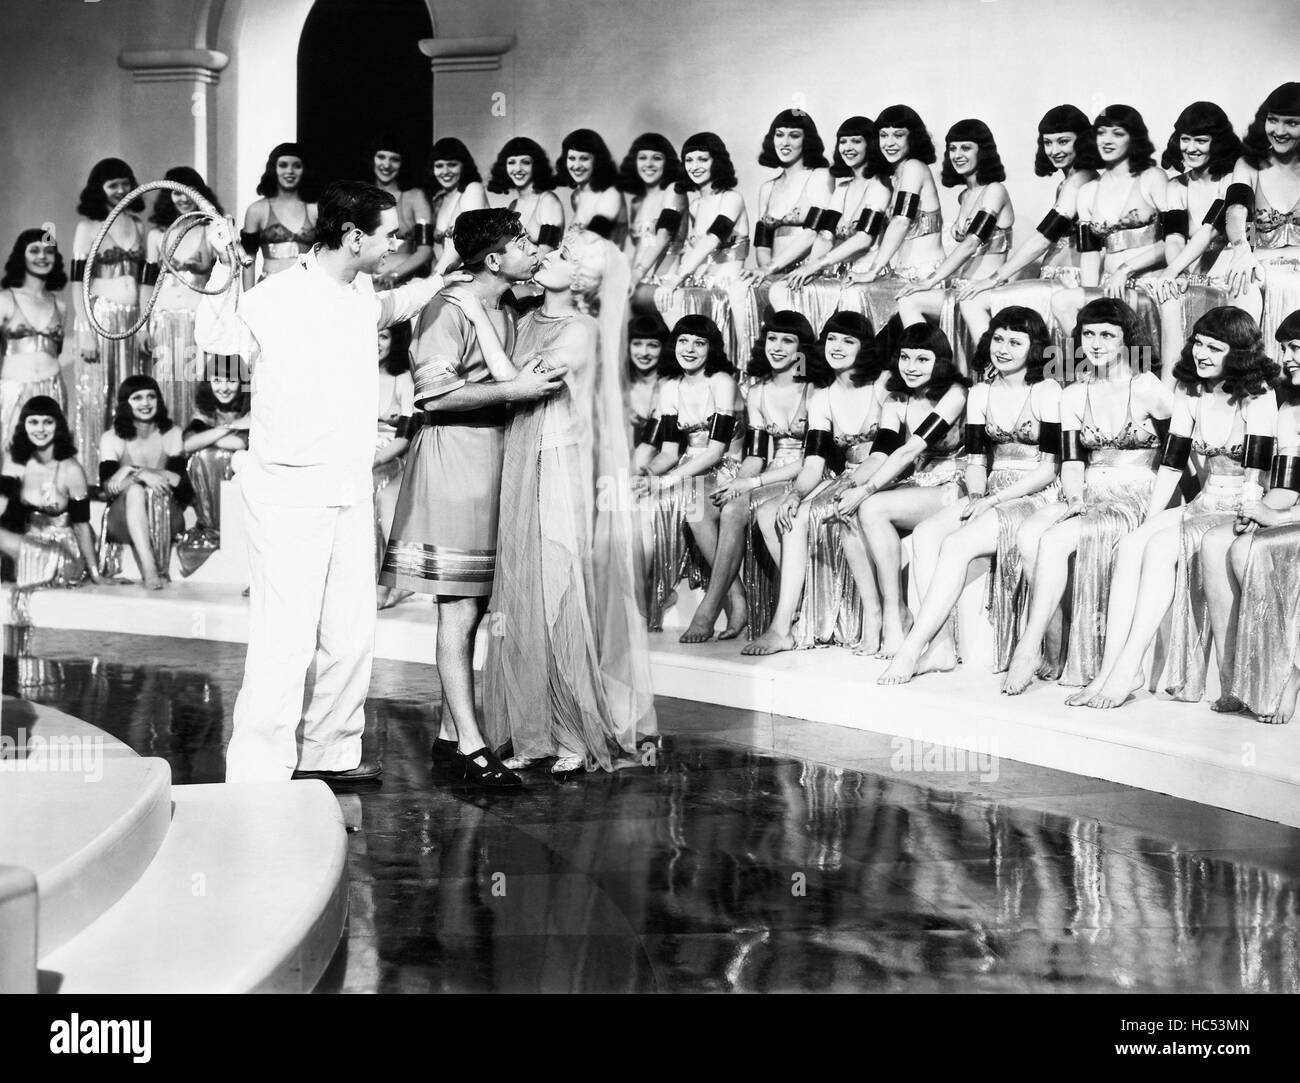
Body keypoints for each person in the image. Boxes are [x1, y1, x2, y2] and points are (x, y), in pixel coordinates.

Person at [196, 180, 469, 786]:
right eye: (388, 233)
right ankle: (260, 768)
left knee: (351, 636)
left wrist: (450, 272)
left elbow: (400, 303)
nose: (397, 241)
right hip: (287, 492)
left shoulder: (360, 291)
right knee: (284, 640)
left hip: (349, 488)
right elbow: (215, 340)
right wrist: (220, 270)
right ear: (353, 237)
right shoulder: (275, 294)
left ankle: (332, 754)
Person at [452, 230, 657, 774]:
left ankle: (573, 731)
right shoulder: (523, 318)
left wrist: (474, 317)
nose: (547, 257)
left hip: (559, 466)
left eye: (564, 256)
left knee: (558, 590)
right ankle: (530, 730)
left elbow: (524, 382)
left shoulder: (583, 329)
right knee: (520, 594)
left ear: (584, 279)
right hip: (519, 459)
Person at [379, 208, 563, 787]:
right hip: (456, 458)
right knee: (458, 609)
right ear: (492, 259)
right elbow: (433, 396)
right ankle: (472, 746)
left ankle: (450, 734)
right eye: (523, 242)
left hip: (495, 455)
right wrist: (514, 389)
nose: (533, 249)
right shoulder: (448, 306)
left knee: (479, 606)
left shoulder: (507, 305)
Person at [1072, 307, 1277, 709]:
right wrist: (1150, 518)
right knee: (1132, 544)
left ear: (1237, 353)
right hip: (1203, 502)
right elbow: (1172, 462)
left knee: (1160, 549)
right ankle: (1113, 667)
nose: (1201, 354)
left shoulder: (1259, 395)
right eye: (1199, 343)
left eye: (1214, 348)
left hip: (1240, 509)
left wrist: (1242, 519)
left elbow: (1255, 477)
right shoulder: (1190, 389)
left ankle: (1129, 664)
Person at [878, 308, 1062, 684]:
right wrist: (979, 493)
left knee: (957, 544)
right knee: (928, 534)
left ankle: (912, 647)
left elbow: (1049, 469)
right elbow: (978, 462)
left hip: (1036, 492)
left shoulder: (1047, 391)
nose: (1004, 349)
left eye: (1015, 341)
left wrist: (993, 501)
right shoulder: (980, 394)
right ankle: (942, 645)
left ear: (1034, 348)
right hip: (991, 488)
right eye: (998, 339)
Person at [1002, 298, 1172, 696]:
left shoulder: (1149, 388)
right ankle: (1054, 644)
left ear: (1127, 339)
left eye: (1107, 335)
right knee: (1029, 532)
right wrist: (1076, 499)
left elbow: (1176, 458)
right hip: (1088, 490)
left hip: (1137, 492)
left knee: (1056, 539)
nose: (1096, 343)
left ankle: (1028, 648)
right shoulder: (1074, 394)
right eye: (1089, 334)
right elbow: (1073, 463)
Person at [742, 310, 890, 656]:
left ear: (863, 346)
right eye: (832, 339)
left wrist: (850, 483)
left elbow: (888, 453)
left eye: (848, 340)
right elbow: (814, 462)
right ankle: (782, 628)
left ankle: (874, 615)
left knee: (825, 509)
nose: (837, 346)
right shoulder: (822, 396)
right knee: (791, 513)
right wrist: (794, 494)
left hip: (887, 475)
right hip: (845, 477)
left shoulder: (881, 384)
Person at [834, 323, 970, 658]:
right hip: (916, 485)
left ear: (939, 361)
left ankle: (896, 616)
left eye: (922, 360)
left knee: (871, 506)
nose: (910, 367)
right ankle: (880, 613)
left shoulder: (955, 393)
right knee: (850, 513)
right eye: (905, 358)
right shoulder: (895, 399)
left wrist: (866, 490)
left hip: (954, 485)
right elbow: (880, 453)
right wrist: (847, 486)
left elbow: (910, 450)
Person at [632, 314, 744, 632]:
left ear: (712, 349)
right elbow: (669, 451)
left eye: (699, 342)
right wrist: (647, 474)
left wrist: (668, 479)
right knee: (639, 503)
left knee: (689, 503)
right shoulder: (670, 388)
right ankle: (649, 604)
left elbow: (716, 451)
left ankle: (735, 598)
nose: (690, 349)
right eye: (683, 340)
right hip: (687, 468)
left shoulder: (721, 382)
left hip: (723, 468)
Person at [1217, 310, 1300, 723]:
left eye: (1297, 348)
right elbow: (1286, 484)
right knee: (1241, 550)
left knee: (1272, 547)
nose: (1288, 358)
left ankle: (1291, 677)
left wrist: (1279, 515)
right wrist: (1259, 511)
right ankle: (1264, 672)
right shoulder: (1288, 406)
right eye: (1284, 349)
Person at [957, 104, 1100, 342]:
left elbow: (1043, 239)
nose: (1054, 150)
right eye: (1048, 143)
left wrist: (996, 277)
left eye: (1063, 141)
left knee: (973, 301)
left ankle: (990, 369)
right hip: (1055, 281)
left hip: (1069, 284)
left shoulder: (1081, 180)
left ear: (1082, 141)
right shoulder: (1068, 182)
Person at [895, 119, 1014, 373]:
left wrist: (931, 279)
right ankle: (928, 372)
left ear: (983, 151)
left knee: (952, 301)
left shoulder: (995, 190)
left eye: (966, 148)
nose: (958, 155)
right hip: (960, 291)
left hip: (986, 292)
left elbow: (972, 243)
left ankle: (995, 374)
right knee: (908, 300)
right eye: (953, 148)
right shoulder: (965, 195)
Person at [70, 157, 147, 477]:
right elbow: (77, 282)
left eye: (125, 183)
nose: (120, 190)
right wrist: (85, 329)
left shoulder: (139, 225)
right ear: (99, 189)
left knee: (126, 390)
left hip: (132, 320)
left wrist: (144, 322)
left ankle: (129, 466)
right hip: (99, 316)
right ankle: (91, 472)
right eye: (112, 185)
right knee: (96, 393)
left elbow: (146, 280)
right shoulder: (87, 227)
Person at [0, 396, 106, 623]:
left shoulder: (70, 469)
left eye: (47, 422)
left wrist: (96, 573)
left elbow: (81, 524)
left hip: (63, 552)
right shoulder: (18, 462)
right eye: (33, 422)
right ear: (24, 426)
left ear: (57, 425)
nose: (40, 429)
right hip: (28, 542)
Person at [653, 133, 751, 363]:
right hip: (701, 286)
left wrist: (674, 279)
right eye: (689, 160)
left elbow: (711, 241)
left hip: (727, 288)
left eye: (702, 159)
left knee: (671, 293)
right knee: (662, 296)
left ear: (716, 161)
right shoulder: (696, 205)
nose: (694, 166)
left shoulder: (732, 198)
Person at [142, 166, 226, 434]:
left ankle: (195, 443)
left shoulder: (209, 231)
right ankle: (169, 448)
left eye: (187, 191)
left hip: (197, 318)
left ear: (199, 193)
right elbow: (147, 283)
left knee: (196, 379)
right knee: (165, 381)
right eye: (174, 192)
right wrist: (143, 324)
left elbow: (227, 273)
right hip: (164, 319)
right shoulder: (156, 234)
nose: (181, 198)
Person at [1223, 82, 1300, 351]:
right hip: (1261, 265)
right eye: (1273, 120)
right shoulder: (1249, 164)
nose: (1279, 131)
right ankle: (1251, 378)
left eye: (1291, 123)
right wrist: (1241, 247)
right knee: (1243, 282)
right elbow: (1235, 209)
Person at [97, 375, 189, 590]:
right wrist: (138, 478)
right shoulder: (112, 437)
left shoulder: (173, 433)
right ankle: (149, 570)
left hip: (166, 516)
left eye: (151, 397)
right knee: (136, 491)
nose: (146, 403)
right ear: (125, 404)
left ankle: (151, 568)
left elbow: (178, 482)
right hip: (122, 521)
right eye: (137, 398)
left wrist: (135, 471)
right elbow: (108, 489)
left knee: (138, 487)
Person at [175, 358, 249, 576]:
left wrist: (209, 437)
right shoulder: (205, 411)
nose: (224, 388)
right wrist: (231, 426)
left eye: (231, 381)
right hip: (211, 492)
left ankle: (230, 527)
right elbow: (188, 444)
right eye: (217, 380)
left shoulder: (252, 407)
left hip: (245, 488)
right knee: (203, 455)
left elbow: (240, 444)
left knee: (216, 453)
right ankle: (213, 526)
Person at [1, 229, 68, 461]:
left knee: (49, 462)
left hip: (52, 389)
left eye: (49, 251)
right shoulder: (5, 299)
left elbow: (55, 352)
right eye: (35, 250)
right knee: (12, 462)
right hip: (14, 392)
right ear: (22, 255)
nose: (43, 256)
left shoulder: (60, 306)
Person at [372, 321, 415, 609]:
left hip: (391, 460)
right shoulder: (353, 376)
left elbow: (405, 438)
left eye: (383, 336)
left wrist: (373, 460)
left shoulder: (403, 380)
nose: (375, 342)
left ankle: (391, 585)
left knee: (381, 495)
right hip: (356, 459)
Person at [620, 133, 688, 311]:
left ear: (667, 163)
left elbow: (663, 238)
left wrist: (634, 277)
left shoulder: (674, 191)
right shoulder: (637, 202)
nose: (648, 164)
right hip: (638, 280)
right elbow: (633, 249)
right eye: (642, 158)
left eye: (656, 158)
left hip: (664, 282)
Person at [239, 142, 317, 288]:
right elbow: (248, 259)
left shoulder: (314, 210)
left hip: (306, 292)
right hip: (268, 293)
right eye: (283, 165)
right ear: (273, 168)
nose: (290, 171)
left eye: (297, 166)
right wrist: (247, 300)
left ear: (305, 170)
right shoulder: (257, 210)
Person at [365, 134, 434, 288]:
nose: (387, 165)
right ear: (372, 159)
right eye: (381, 157)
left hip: (403, 282)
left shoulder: (416, 197)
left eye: (394, 159)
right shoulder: (361, 197)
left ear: (403, 163)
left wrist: (394, 274)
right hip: (365, 282)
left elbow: (425, 250)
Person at [422, 137, 490, 276]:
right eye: (439, 166)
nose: (445, 171)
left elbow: (464, 243)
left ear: (463, 166)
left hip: (475, 275)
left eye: (452, 164)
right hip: (449, 274)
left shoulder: (473, 189)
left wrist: (434, 279)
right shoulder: (438, 200)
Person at [556, 129, 627, 245]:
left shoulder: (611, 193)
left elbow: (593, 240)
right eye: (572, 158)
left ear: (597, 161)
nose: (576, 166)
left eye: (584, 159)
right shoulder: (576, 196)